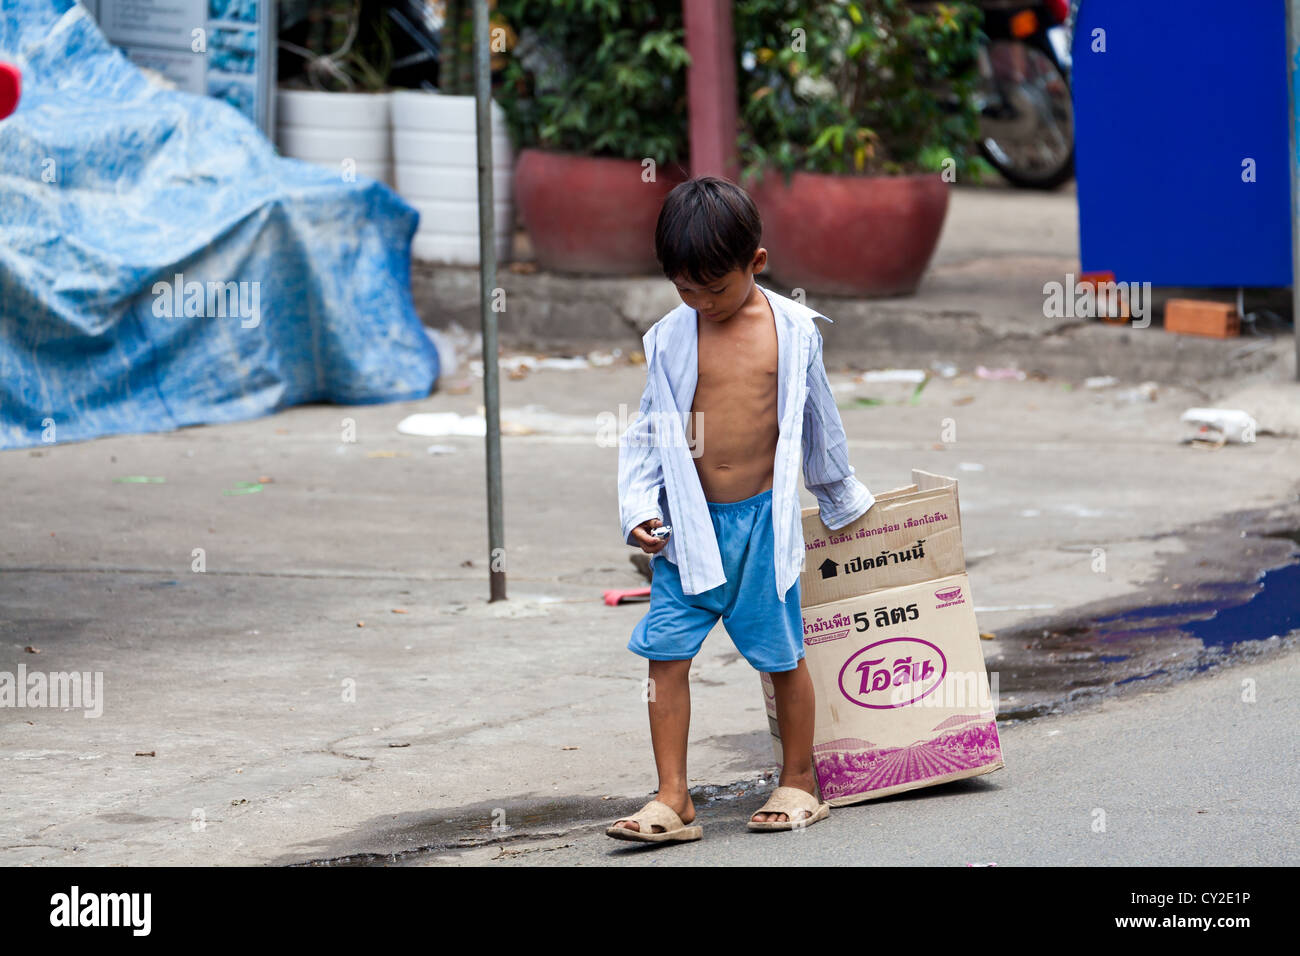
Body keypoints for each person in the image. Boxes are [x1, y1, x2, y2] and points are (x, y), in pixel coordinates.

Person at [608, 176, 875, 843]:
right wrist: (639, 506)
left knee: (781, 655)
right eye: (685, 289)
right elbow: (651, 428)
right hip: (689, 528)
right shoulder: (671, 338)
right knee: (664, 656)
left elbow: (818, 420)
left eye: (714, 288)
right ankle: (674, 797)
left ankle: (799, 779)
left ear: (755, 264)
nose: (700, 302)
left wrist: (840, 497)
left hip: (763, 525)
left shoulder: (792, 333)